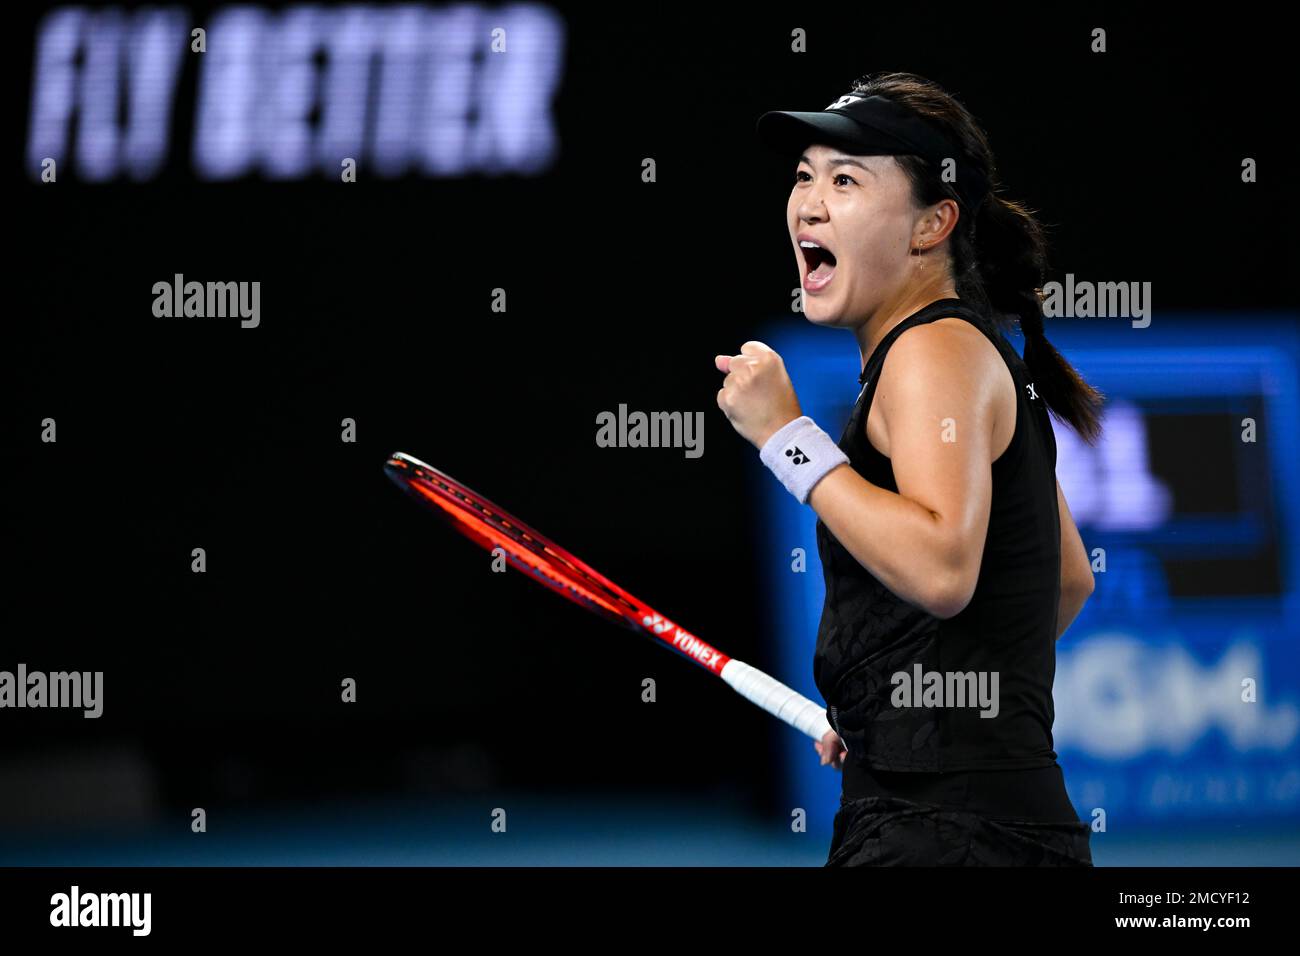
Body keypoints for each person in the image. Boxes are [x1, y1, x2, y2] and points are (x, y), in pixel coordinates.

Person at [714, 72, 1102, 865]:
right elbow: (1064, 578)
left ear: (933, 224)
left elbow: (941, 569)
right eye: (803, 177)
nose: (810, 203)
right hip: (998, 827)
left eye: (846, 180)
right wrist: (907, 708)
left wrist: (787, 438)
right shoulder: (963, 348)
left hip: (939, 839)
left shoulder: (930, 352)